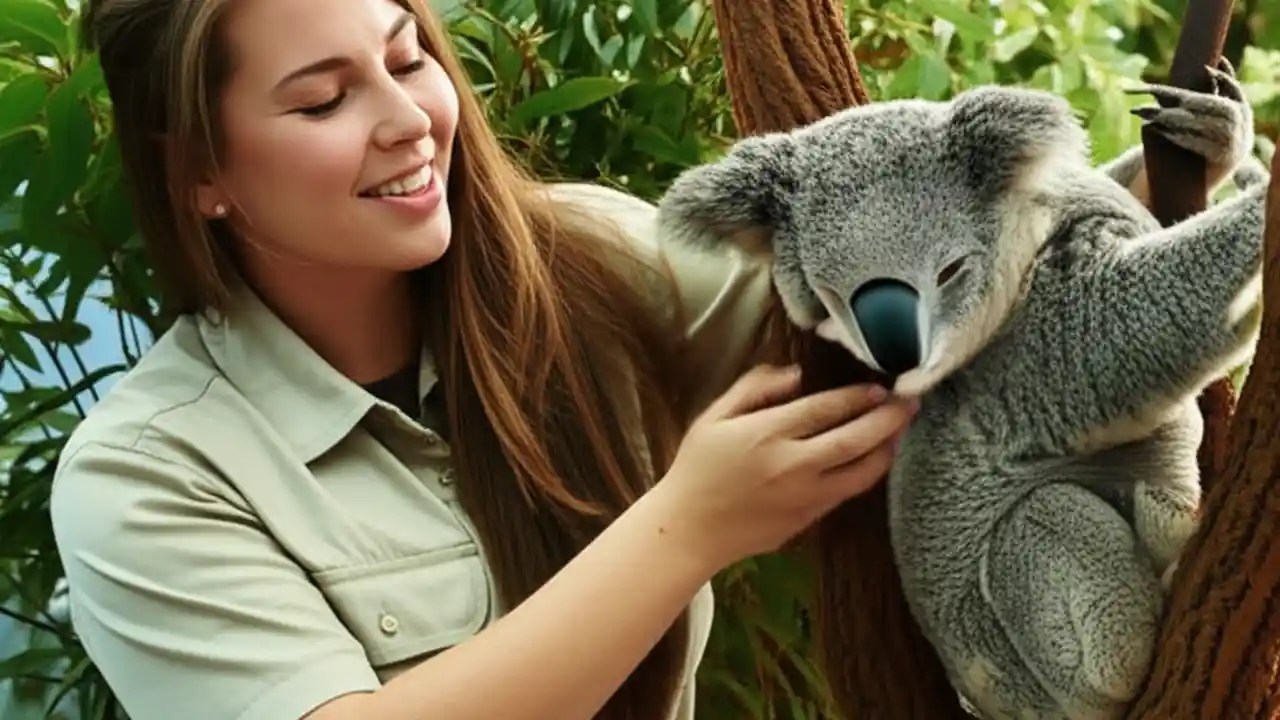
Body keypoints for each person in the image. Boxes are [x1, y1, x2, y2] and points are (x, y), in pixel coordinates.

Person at [49, 1, 919, 719]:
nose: (408, 122)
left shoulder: (590, 263)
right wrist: (688, 529)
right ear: (200, 170)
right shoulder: (148, 476)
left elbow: (882, 325)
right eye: (322, 102)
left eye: (408, 56)